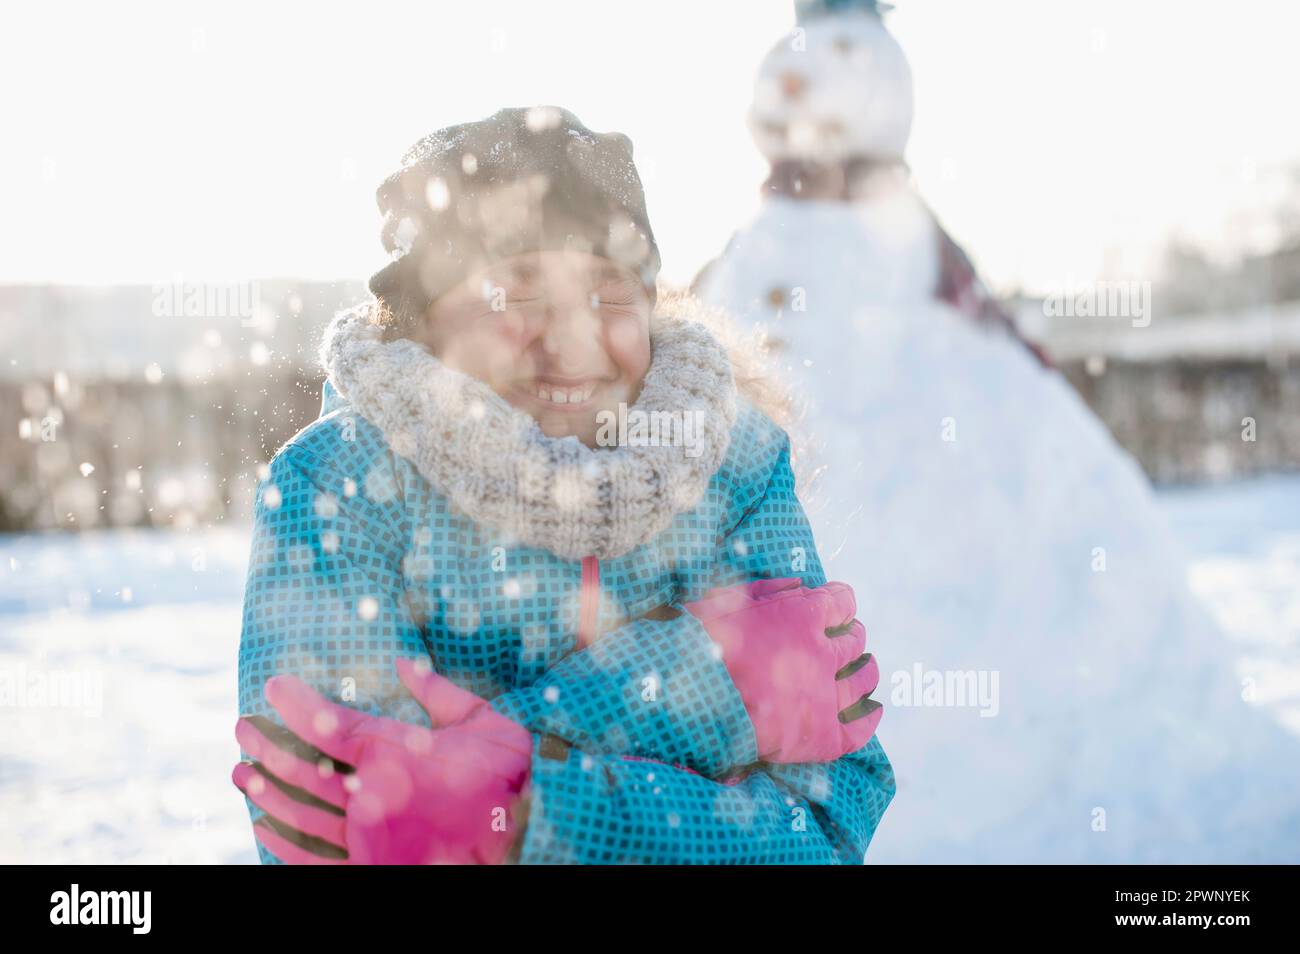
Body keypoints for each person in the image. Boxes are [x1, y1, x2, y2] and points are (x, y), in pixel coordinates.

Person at [230, 105, 894, 864]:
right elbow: (330, 830)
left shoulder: (735, 469)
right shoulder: (337, 486)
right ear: (422, 319)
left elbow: (825, 834)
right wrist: (706, 687)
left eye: (611, 297)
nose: (575, 343)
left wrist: (518, 811)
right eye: (515, 296)